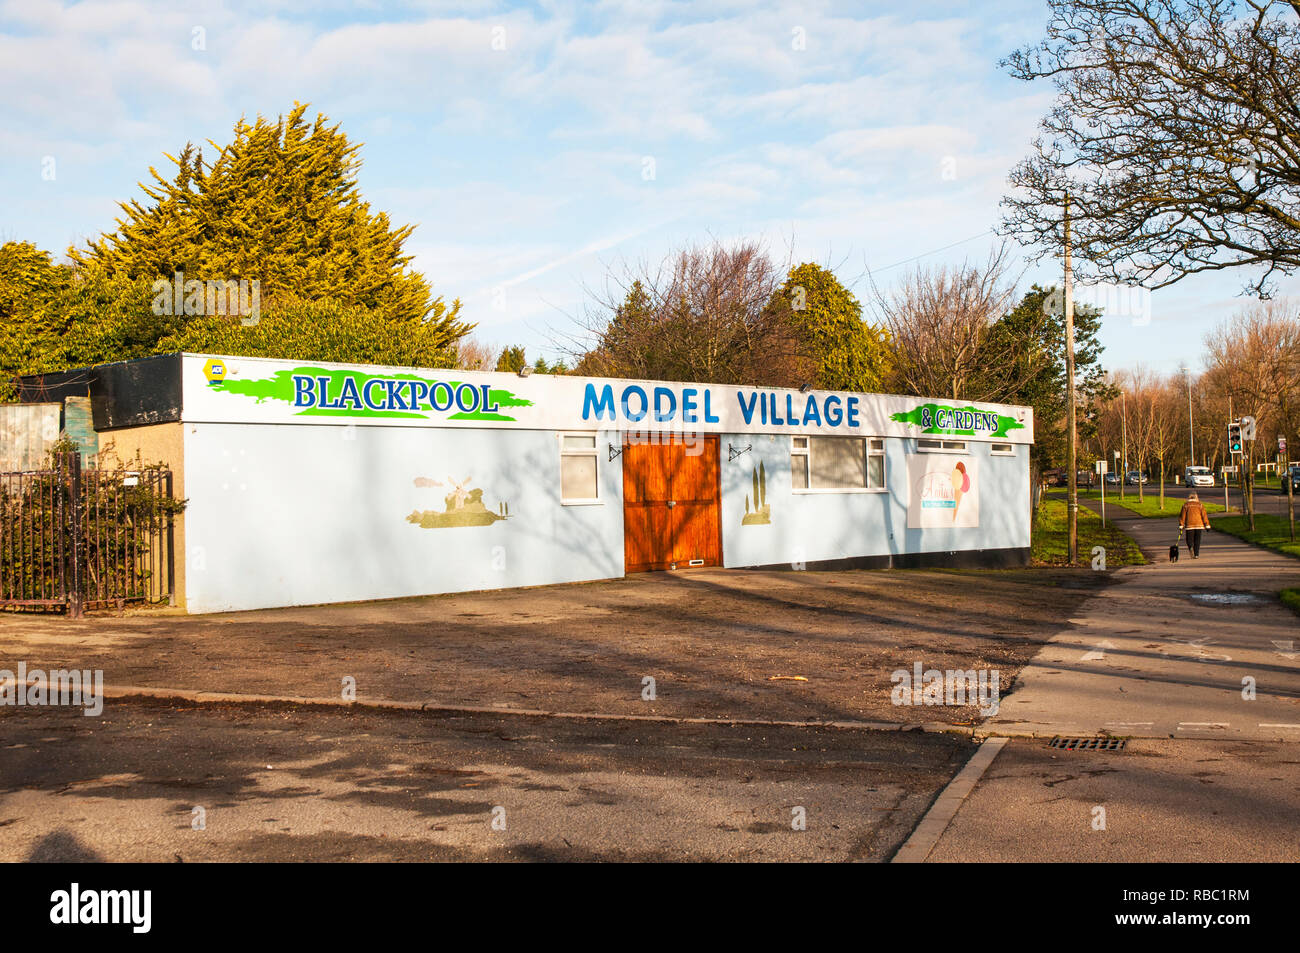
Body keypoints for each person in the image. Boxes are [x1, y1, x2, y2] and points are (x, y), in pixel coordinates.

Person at [1178, 491, 1211, 558]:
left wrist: (1181, 525)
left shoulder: (1185, 505)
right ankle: (1196, 554)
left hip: (1189, 525)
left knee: (1189, 539)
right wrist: (1207, 525)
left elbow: (1182, 516)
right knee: (1197, 540)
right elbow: (1204, 516)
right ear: (1196, 497)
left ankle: (1190, 547)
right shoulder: (1200, 505)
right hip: (1199, 524)